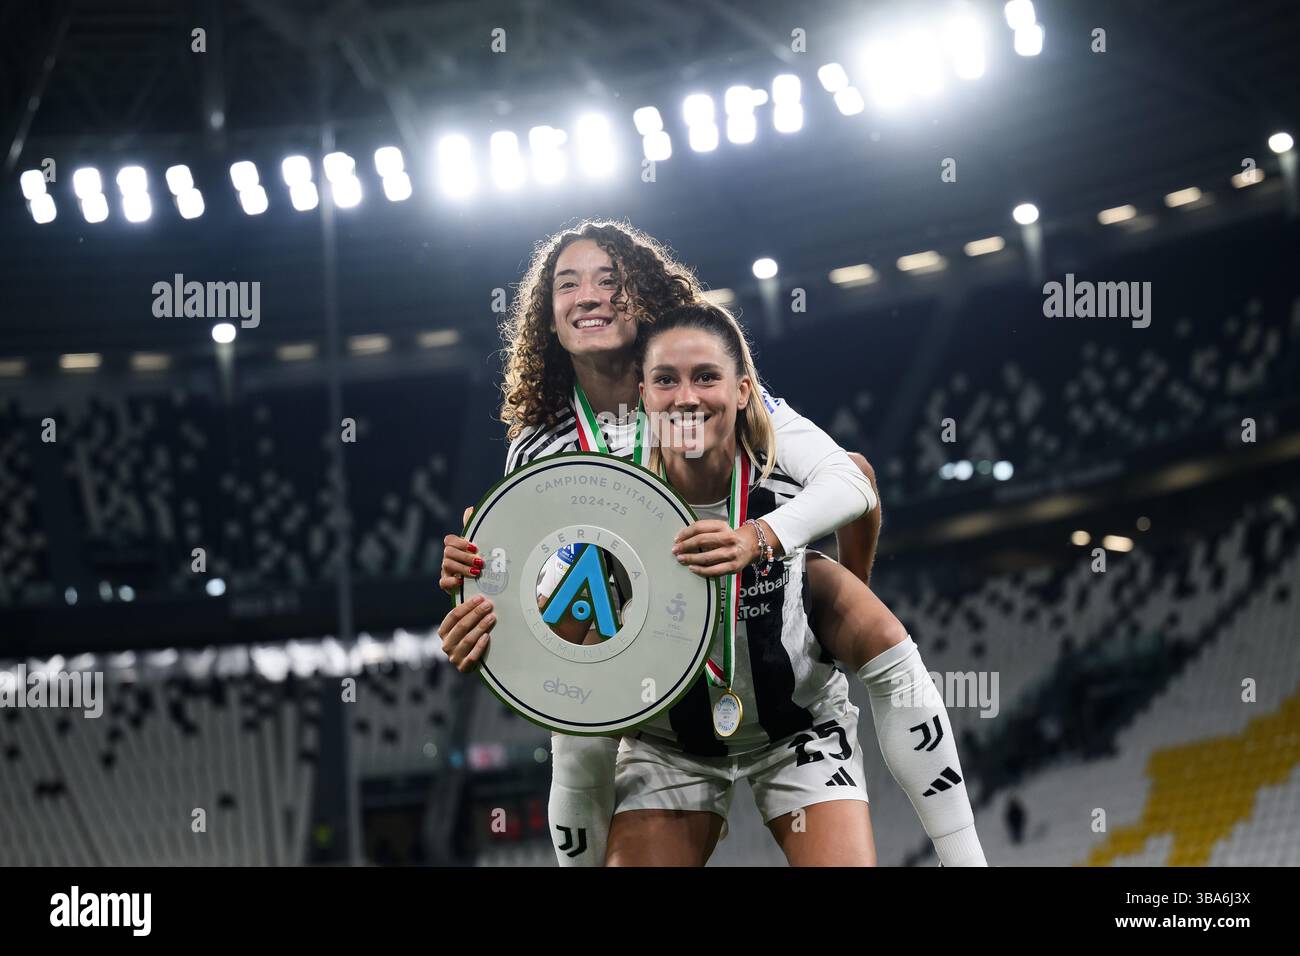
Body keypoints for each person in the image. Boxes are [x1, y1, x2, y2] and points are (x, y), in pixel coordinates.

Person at [437, 220, 985, 866]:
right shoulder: (537, 444)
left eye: (608, 280)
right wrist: (483, 603)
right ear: (548, 318)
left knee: (849, 610)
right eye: (568, 284)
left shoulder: (705, 387)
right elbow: (546, 595)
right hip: (667, 733)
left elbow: (854, 477)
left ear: (642, 296)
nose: (588, 295)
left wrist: (797, 564)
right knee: (575, 710)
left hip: (791, 708)